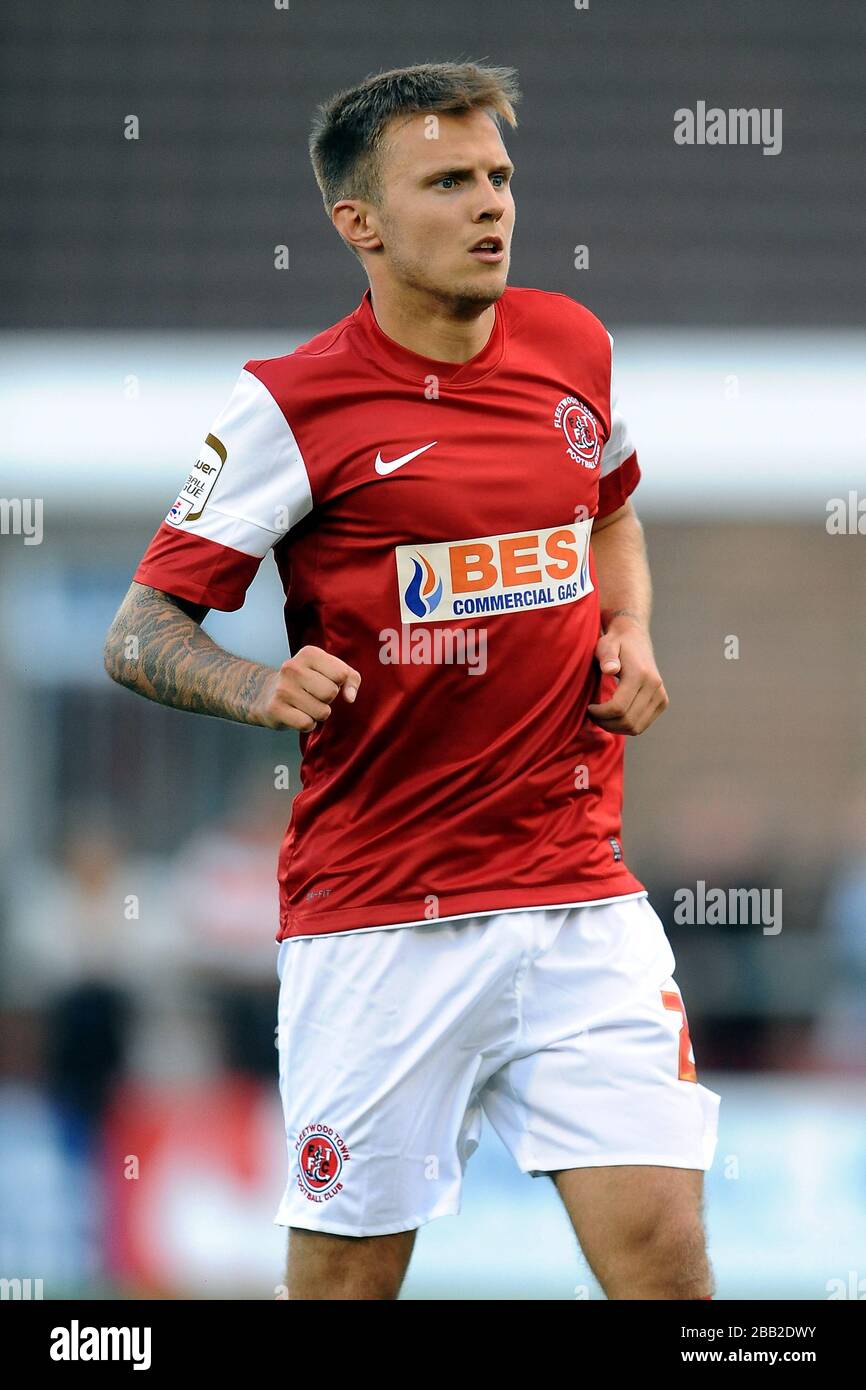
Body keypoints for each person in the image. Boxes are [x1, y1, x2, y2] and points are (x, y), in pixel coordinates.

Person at [103, 60, 720, 1301]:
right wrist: (252, 687)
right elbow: (140, 627)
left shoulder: (570, 343)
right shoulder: (287, 407)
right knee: (344, 1285)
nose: (490, 204)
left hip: (574, 892)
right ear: (359, 224)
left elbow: (610, 510)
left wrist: (634, 628)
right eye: (448, 182)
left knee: (663, 1262)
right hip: (379, 921)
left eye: (496, 176)